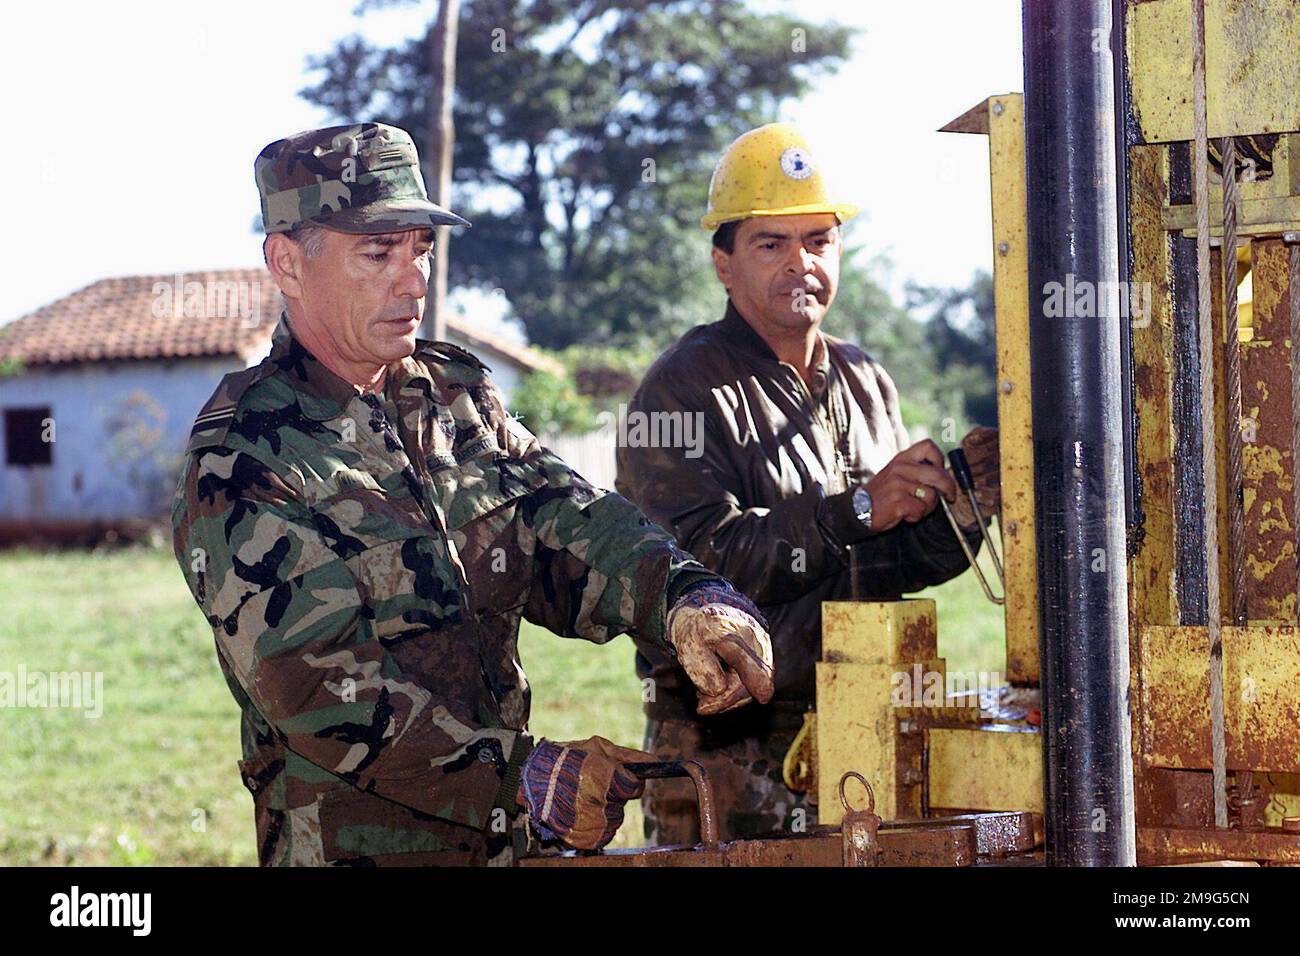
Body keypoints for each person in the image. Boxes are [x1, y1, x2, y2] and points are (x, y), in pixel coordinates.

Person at [172, 122, 775, 866]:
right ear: (287, 262)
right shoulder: (242, 456)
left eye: (421, 249)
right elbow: (320, 691)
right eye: (378, 252)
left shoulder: (455, 396)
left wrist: (682, 597)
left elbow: (564, 518)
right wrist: (518, 776)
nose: (415, 278)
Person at [615, 123, 1001, 845]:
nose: (801, 263)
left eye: (818, 241)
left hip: (861, 725)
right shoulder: (681, 389)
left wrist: (966, 506)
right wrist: (856, 507)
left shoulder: (863, 378)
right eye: (772, 243)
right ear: (723, 263)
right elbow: (693, 569)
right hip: (730, 752)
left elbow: (883, 562)